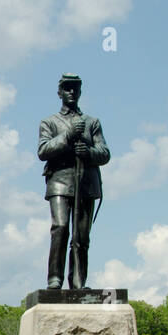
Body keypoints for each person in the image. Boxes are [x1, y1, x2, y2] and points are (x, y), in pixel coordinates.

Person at [37, 73, 110, 289]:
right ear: (59, 92)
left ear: (80, 92)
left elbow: (104, 153)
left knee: (81, 236)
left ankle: (78, 281)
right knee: (60, 227)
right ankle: (54, 278)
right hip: (60, 181)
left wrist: (88, 152)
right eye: (67, 88)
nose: (71, 92)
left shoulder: (92, 123)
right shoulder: (49, 122)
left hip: (85, 183)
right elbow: (43, 150)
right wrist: (68, 135)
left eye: (75, 88)